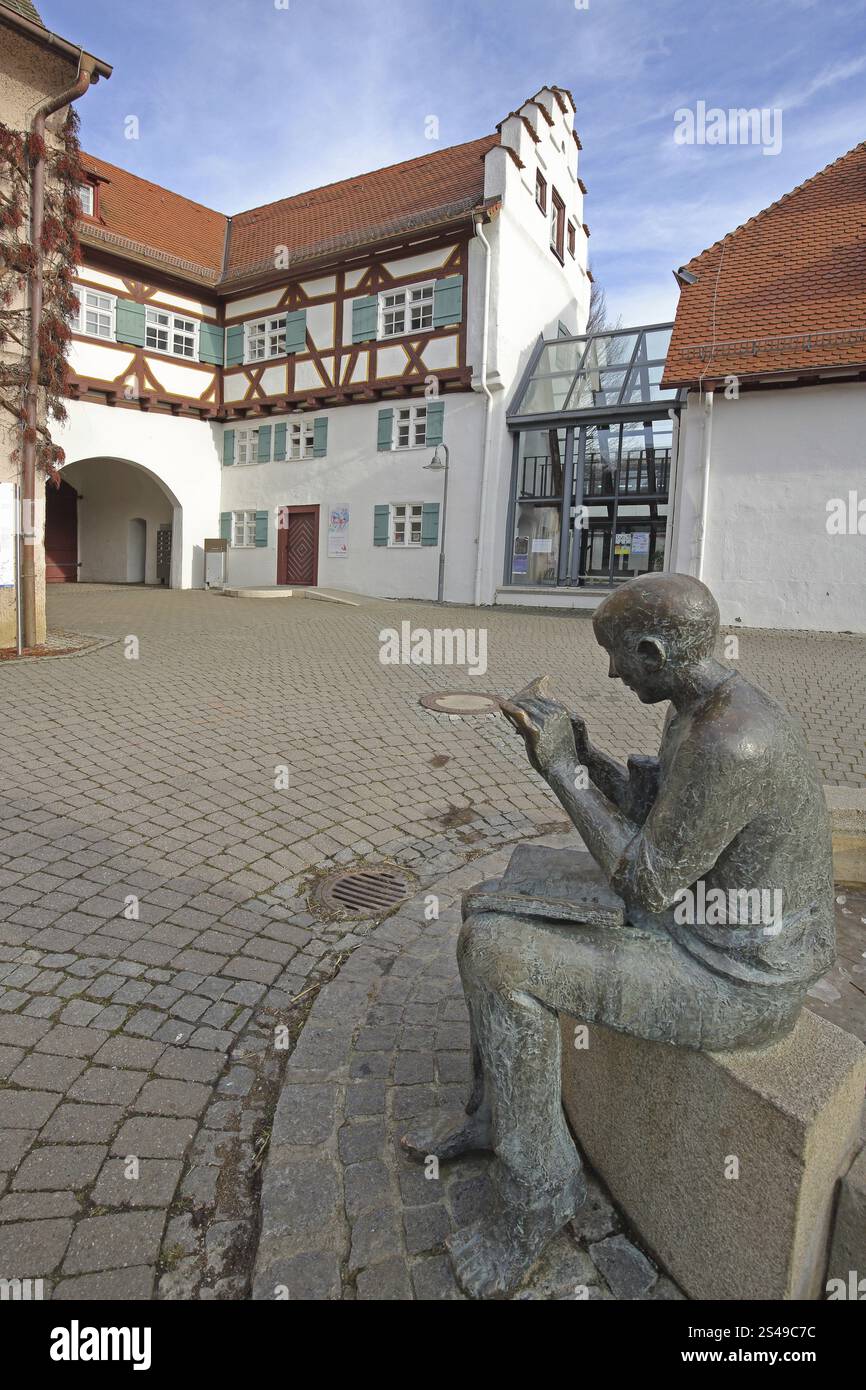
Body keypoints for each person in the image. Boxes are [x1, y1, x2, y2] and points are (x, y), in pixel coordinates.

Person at [403, 572, 835, 1299]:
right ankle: (496, 1115)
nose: (610, 671)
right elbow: (653, 809)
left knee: (496, 954)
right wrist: (583, 751)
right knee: (483, 903)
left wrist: (564, 772)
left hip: (736, 981)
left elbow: (642, 880)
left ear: (652, 650)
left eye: (616, 657)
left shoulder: (732, 740)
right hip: (698, 925)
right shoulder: (700, 706)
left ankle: (538, 1195)